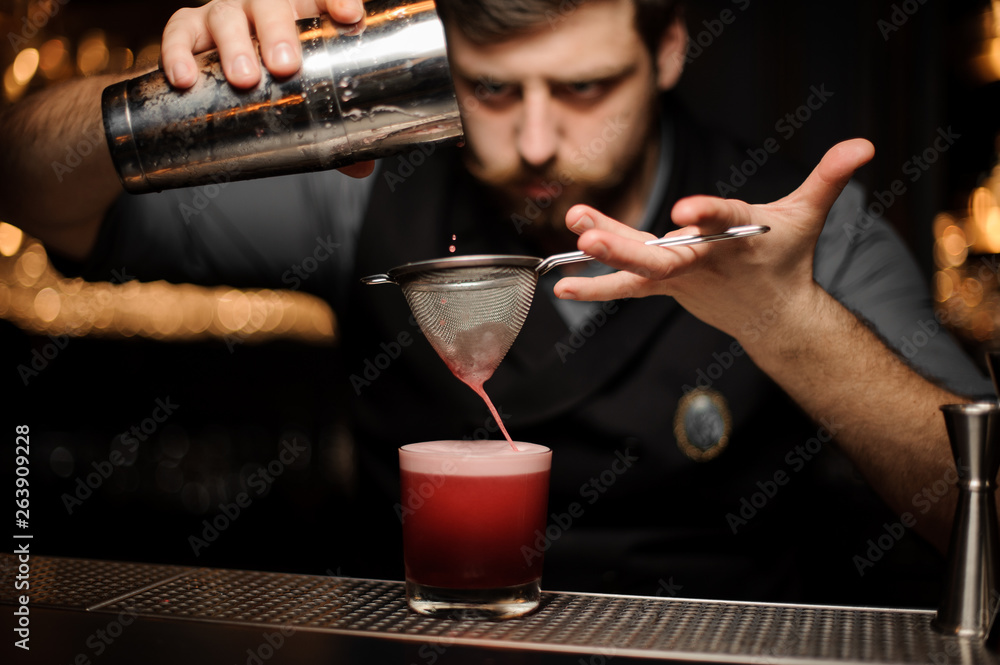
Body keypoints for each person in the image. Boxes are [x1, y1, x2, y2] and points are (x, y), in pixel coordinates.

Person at [0, 0, 993, 605]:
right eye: (489, 89)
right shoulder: (359, 187)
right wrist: (187, 99)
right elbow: (31, 184)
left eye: (584, 87)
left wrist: (787, 319)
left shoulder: (797, 219)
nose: (532, 142)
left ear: (668, 51)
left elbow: (979, 529)